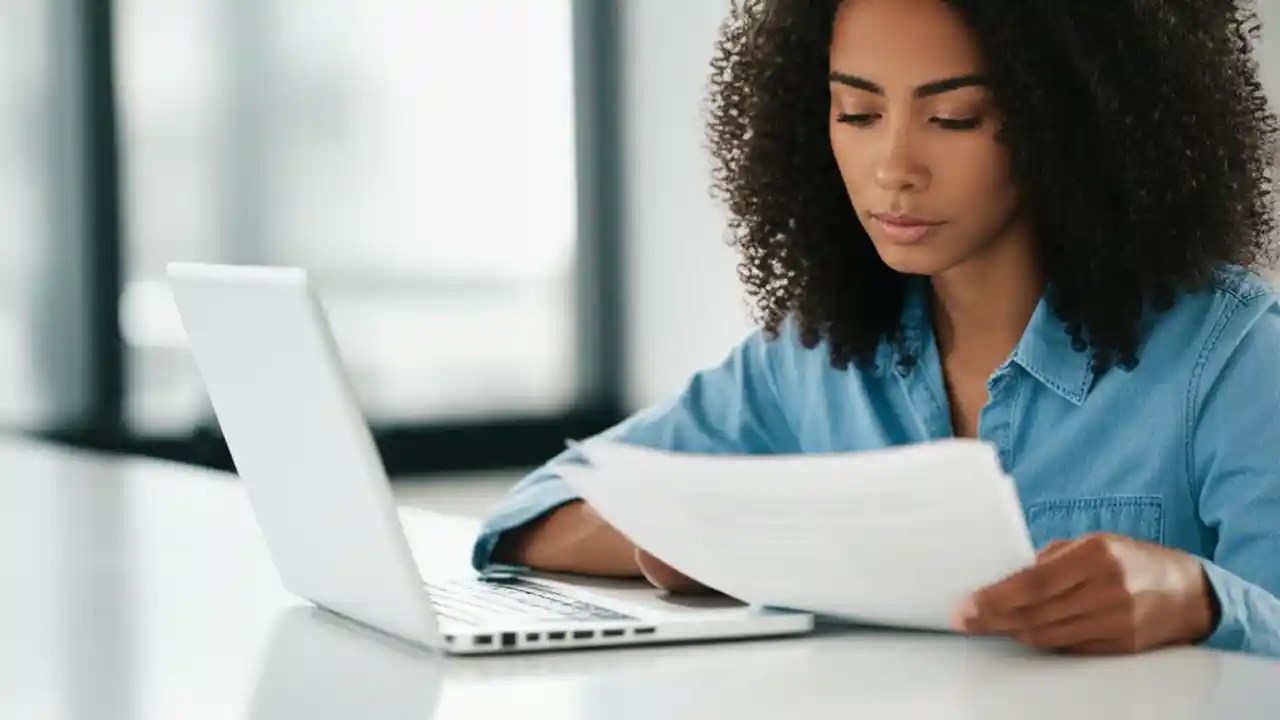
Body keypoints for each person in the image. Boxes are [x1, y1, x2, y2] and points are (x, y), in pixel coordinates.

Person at [471, 0, 1280, 657]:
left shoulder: (1229, 359)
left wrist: (1199, 600)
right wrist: (699, 541)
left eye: (954, 117)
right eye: (857, 113)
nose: (893, 168)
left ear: (1073, 119)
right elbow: (532, 513)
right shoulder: (815, 358)